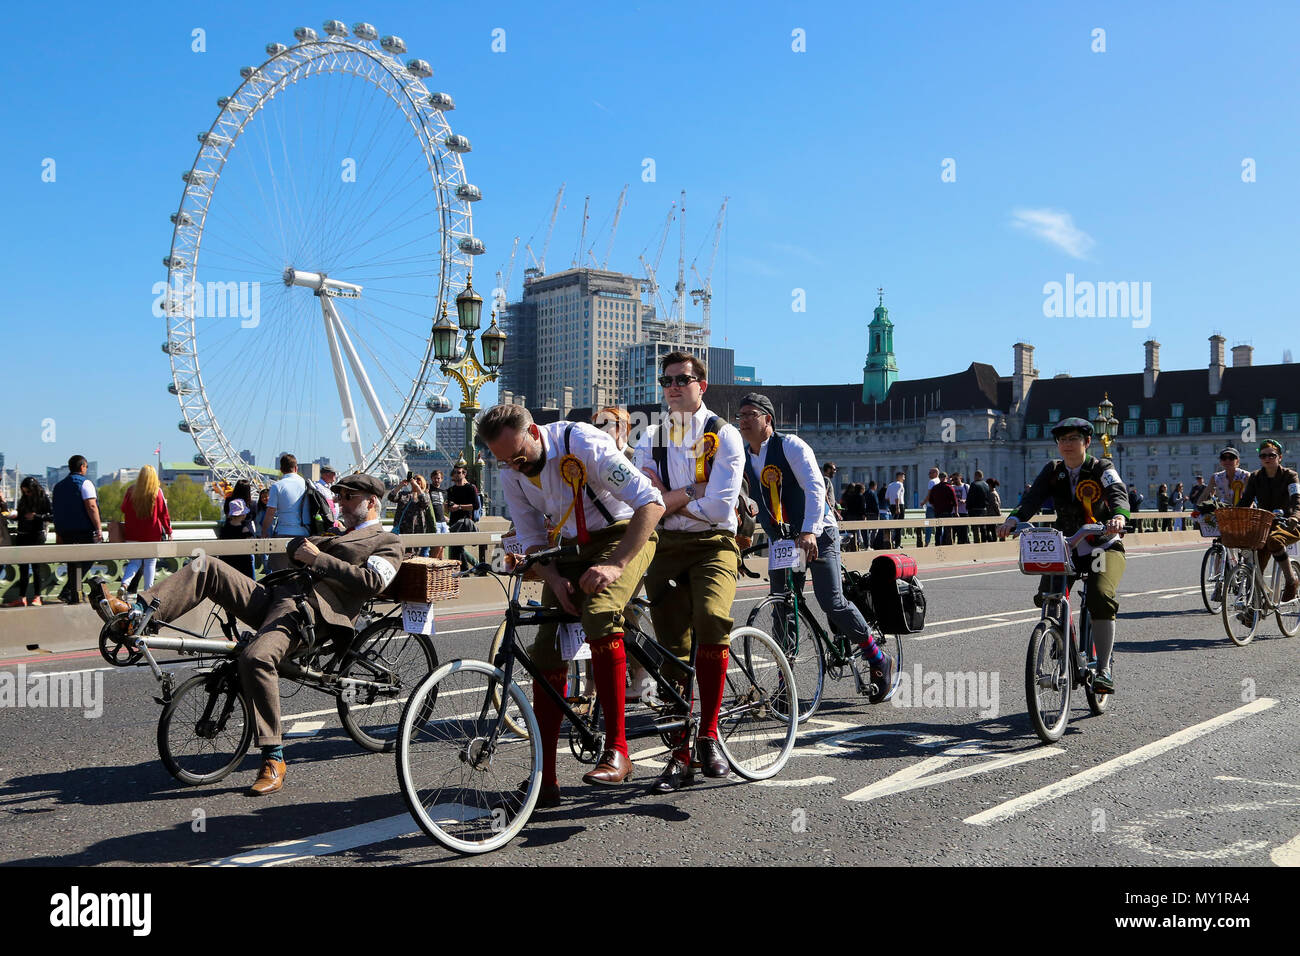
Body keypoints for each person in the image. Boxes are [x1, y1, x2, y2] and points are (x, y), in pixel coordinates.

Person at [93, 473, 403, 796]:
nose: (339, 501)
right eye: (338, 495)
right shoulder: (338, 533)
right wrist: (301, 548)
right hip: (277, 595)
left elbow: (372, 583)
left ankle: (274, 757)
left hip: (309, 613)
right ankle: (137, 616)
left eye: (348, 496)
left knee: (255, 657)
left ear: (372, 501)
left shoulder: (387, 541)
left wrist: (317, 557)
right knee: (206, 566)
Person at [481, 402, 664, 806]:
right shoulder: (511, 472)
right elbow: (531, 539)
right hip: (567, 548)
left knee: (599, 614)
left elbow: (651, 504)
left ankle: (618, 751)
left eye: (518, 456)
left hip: (623, 534)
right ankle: (545, 776)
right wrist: (553, 579)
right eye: (503, 461)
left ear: (533, 433)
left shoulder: (582, 442)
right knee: (545, 646)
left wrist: (616, 565)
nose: (514, 466)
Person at [736, 393, 895, 703]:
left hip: (817, 533)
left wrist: (809, 530)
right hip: (782, 540)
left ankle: (877, 657)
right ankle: (786, 683)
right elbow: (739, 501)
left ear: (768, 419)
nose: (743, 420)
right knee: (782, 608)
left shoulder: (791, 446)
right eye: (740, 415)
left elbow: (814, 486)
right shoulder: (743, 457)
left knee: (831, 601)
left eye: (750, 414)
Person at [634, 351, 743, 794]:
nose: (673, 386)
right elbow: (642, 498)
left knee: (713, 620)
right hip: (665, 547)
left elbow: (719, 506)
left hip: (714, 544)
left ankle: (710, 736)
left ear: (702, 385)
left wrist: (670, 498)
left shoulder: (724, 435)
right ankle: (681, 752)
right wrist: (689, 492)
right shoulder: (651, 437)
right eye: (667, 381)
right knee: (673, 649)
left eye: (682, 379)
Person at [997, 418, 1128, 693]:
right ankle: (1059, 638)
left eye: (1073, 439)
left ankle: (1103, 668)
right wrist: (1012, 519)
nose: (1067, 445)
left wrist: (1118, 516)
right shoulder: (1053, 470)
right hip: (1067, 546)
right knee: (1048, 594)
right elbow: (1032, 500)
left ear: (1086, 442)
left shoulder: (1101, 468)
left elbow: (1118, 493)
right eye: (1062, 440)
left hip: (1102, 545)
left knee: (1100, 596)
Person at [1237, 439, 1300, 603]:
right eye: (1263, 455)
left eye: (1271, 455)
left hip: (1289, 523)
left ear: (1279, 457)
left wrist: (1294, 516)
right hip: (1265, 525)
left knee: (1274, 541)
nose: (1267, 458)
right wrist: (1231, 514)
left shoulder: (1290, 476)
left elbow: (1296, 500)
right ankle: (1253, 606)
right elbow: (1245, 501)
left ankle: (1291, 580)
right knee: (1254, 559)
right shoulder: (1256, 477)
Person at [51, 455, 102, 604]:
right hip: (83, 530)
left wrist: (58, 533)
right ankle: (69, 591)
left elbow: (56, 511)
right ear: (82, 467)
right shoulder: (85, 483)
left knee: (72, 563)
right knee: (89, 558)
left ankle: (72, 593)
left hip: (65, 531)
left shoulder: (58, 486)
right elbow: (91, 506)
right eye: (86, 467)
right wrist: (98, 528)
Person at [120, 465, 172, 593]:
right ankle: (148, 591)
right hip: (151, 534)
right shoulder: (157, 492)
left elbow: (123, 509)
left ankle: (124, 584)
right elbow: (163, 514)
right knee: (150, 563)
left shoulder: (131, 490)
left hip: (132, 534)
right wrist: (169, 531)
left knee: (134, 562)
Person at [5, 477, 53, 607]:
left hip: (36, 536)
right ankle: (22, 598)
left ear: (34, 490)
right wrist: (15, 516)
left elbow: (51, 516)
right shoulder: (24, 499)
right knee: (23, 569)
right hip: (22, 535)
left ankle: (37, 597)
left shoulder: (43, 498)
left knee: (36, 568)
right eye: (24, 492)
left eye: (28, 492)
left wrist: (36, 516)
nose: (27, 494)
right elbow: (22, 515)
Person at [261, 454, 311, 572]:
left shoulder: (277, 486)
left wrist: (264, 531)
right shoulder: (307, 484)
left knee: (280, 571)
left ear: (281, 469)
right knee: (301, 571)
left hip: (284, 532)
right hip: (304, 533)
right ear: (296, 468)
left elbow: (270, 513)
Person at [446, 462, 483, 567]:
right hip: (453, 521)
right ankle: (475, 567)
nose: (457, 475)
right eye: (455, 472)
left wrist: (459, 506)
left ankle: (467, 569)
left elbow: (475, 505)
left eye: (459, 472)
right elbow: (449, 505)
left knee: (457, 547)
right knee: (457, 548)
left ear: (464, 474)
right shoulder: (451, 490)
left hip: (465, 521)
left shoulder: (470, 488)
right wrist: (448, 507)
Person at [218, 480, 257, 579]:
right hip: (247, 538)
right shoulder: (252, 504)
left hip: (229, 537)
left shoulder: (228, 501)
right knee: (248, 566)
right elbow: (254, 517)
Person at [388, 473, 432, 556]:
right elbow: (391, 497)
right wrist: (400, 485)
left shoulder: (425, 495)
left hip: (416, 530)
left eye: (419, 480)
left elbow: (425, 502)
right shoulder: (404, 495)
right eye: (414, 479)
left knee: (414, 554)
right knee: (399, 552)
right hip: (401, 529)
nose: (415, 481)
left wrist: (417, 487)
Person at [928, 471, 958, 545]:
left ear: (939, 478)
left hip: (938, 512)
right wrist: (956, 512)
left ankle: (937, 543)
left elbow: (930, 500)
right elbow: (955, 501)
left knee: (938, 529)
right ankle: (946, 543)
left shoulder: (935, 488)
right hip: (947, 512)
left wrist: (935, 507)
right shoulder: (949, 487)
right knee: (947, 529)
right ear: (946, 478)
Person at [427, 469, 449, 560]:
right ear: (432, 478)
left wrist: (445, 515)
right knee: (437, 546)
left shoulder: (443, 492)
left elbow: (443, 506)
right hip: (435, 522)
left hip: (443, 522)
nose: (437, 480)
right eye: (435, 478)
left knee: (442, 546)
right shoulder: (429, 490)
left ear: (442, 479)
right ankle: (432, 564)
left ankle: (441, 565)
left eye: (438, 478)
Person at [966, 471, 991, 542]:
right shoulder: (986, 485)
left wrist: (968, 507)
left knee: (975, 528)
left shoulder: (974, 484)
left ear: (976, 476)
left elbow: (970, 498)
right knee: (983, 527)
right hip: (984, 509)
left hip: (974, 510)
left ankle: (977, 541)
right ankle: (984, 541)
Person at [884, 471, 906, 548]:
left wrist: (892, 503)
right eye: (903, 476)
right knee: (899, 527)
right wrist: (898, 507)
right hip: (899, 505)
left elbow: (886, 497)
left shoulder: (890, 485)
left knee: (894, 525)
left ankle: (892, 542)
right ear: (899, 476)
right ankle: (897, 544)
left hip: (892, 505)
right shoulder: (900, 484)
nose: (904, 477)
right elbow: (897, 495)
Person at [920, 467, 941, 546]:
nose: (929, 475)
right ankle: (940, 540)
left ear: (935, 473)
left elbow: (929, 494)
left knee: (928, 524)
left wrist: (923, 502)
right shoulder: (940, 481)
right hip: (939, 507)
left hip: (931, 506)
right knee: (939, 524)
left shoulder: (931, 482)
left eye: (930, 473)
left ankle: (927, 542)